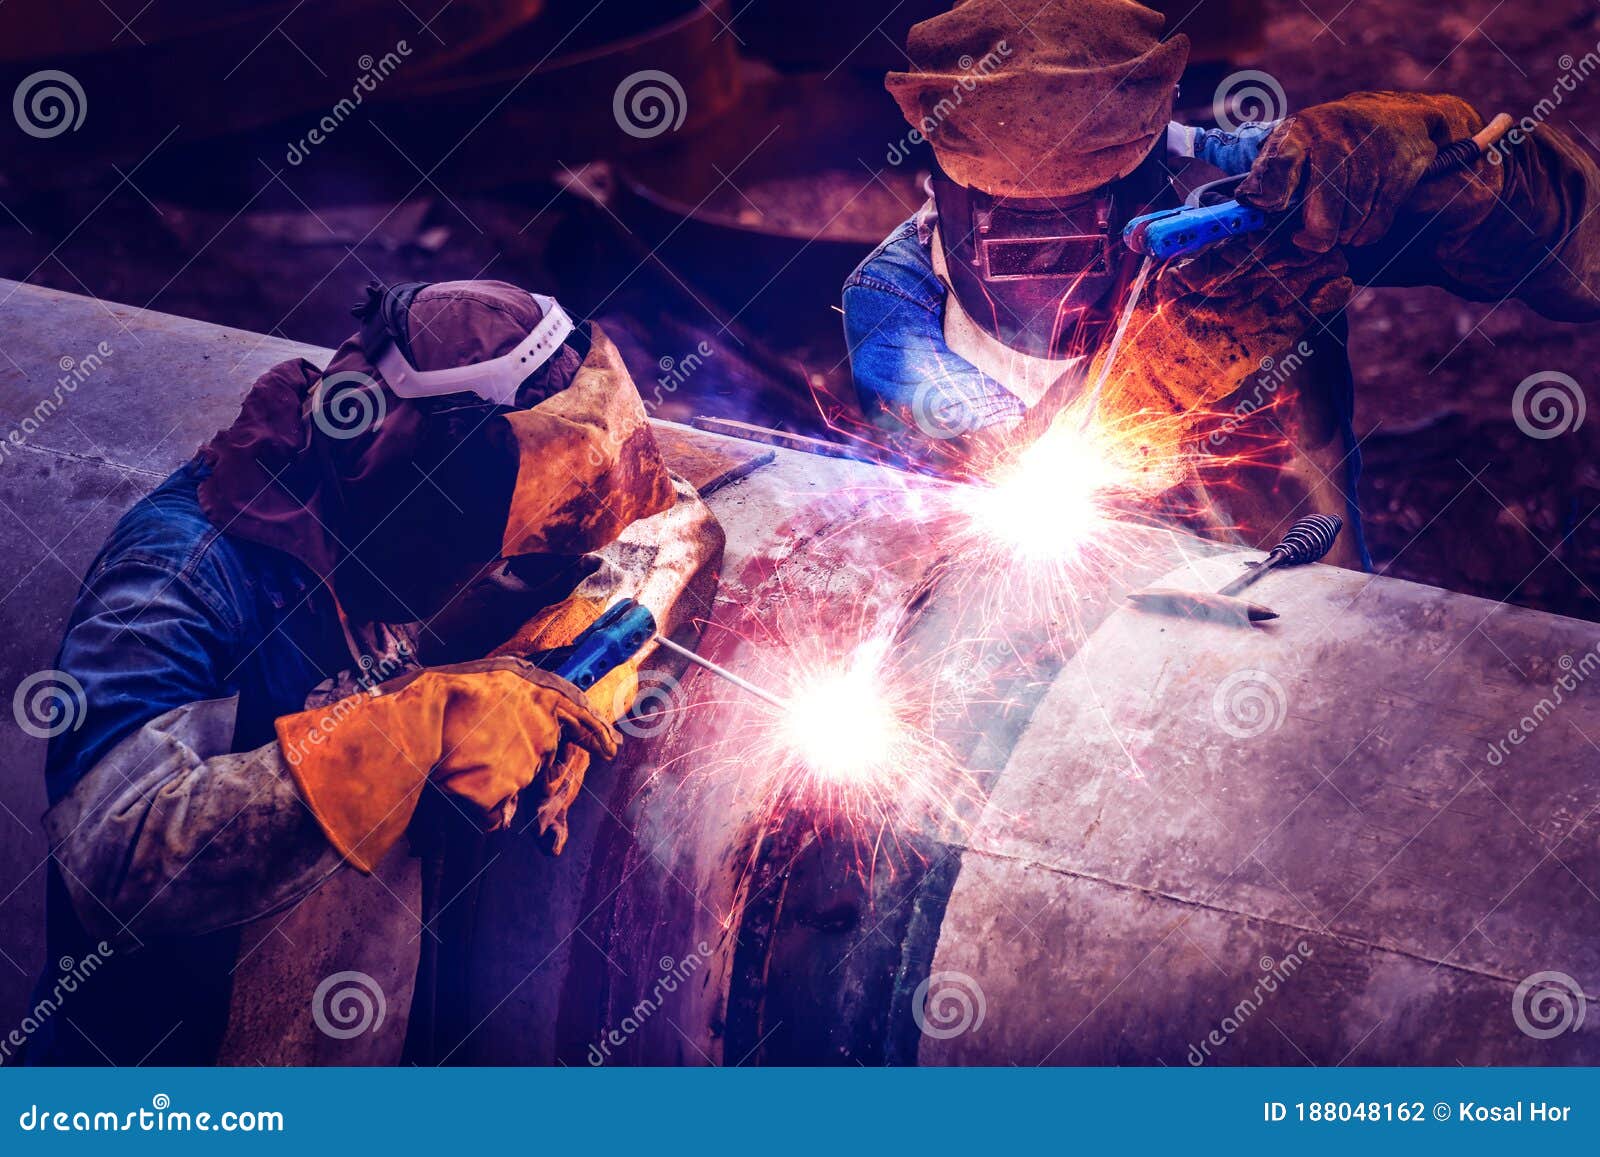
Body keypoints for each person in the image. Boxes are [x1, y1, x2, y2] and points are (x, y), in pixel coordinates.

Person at [29, 279, 677, 1064]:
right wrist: (403, 737)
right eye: (484, 520)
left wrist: (573, 651)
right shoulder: (184, 573)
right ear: (383, 450)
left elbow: (650, 533)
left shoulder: (378, 533)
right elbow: (109, 855)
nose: (493, 560)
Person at [844, 0, 1600, 569]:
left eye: (1084, 203)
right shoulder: (898, 296)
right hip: (1052, 687)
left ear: (1154, 153)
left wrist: (1471, 180)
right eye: (1013, 217)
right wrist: (1151, 380)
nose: (1048, 257)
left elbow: (1576, 260)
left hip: (1295, 637)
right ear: (944, 176)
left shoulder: (1258, 208)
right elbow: (1007, 476)